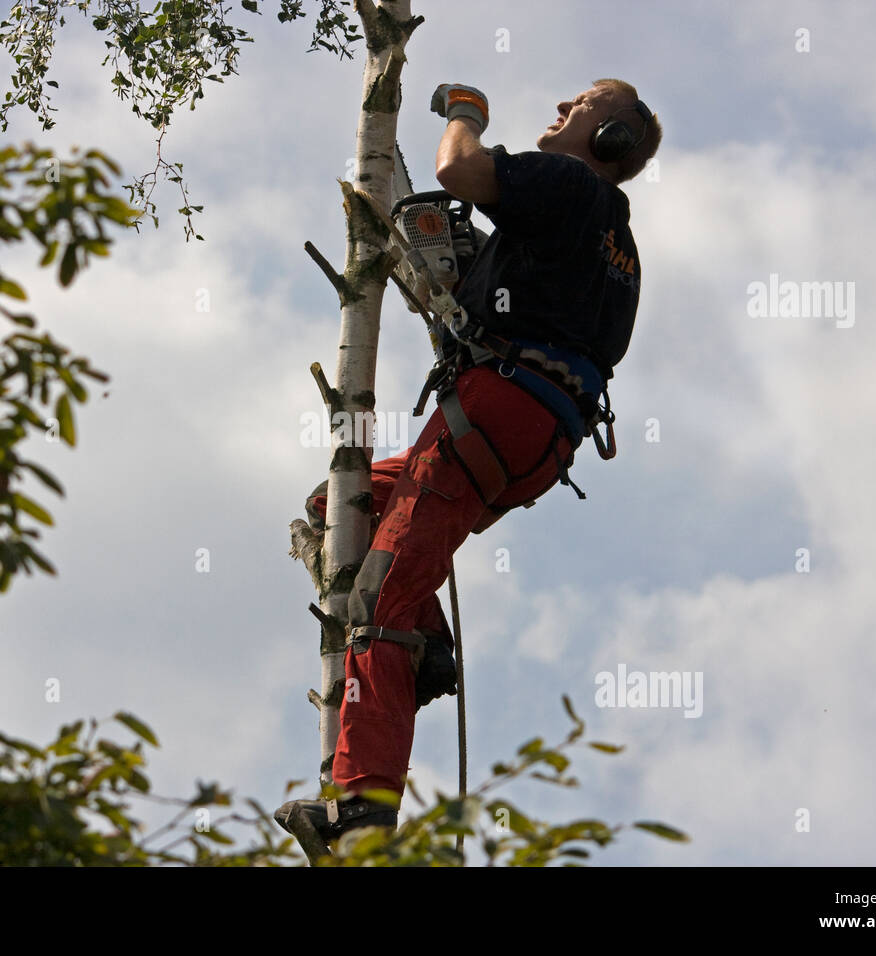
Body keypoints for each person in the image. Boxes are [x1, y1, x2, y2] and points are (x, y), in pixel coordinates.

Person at [277, 79, 662, 849]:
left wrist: (465, 113)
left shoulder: (567, 182)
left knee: (379, 601)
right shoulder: (617, 249)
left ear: (610, 141)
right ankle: (431, 650)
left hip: (493, 414)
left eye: (581, 105)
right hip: (530, 441)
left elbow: (459, 172)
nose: (561, 109)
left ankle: (361, 810)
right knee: (339, 508)